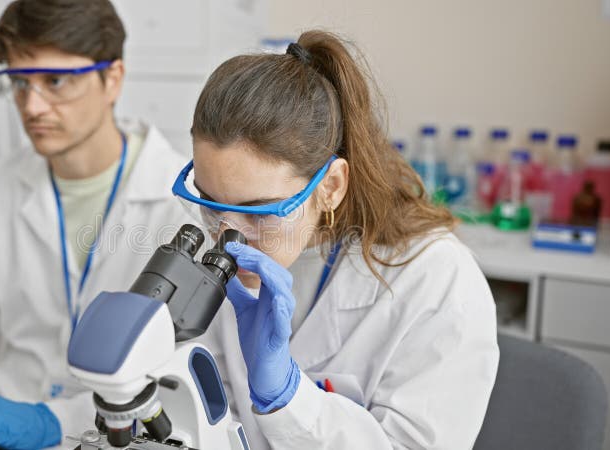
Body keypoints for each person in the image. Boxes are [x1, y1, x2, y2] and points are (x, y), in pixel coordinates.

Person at [175, 30, 499, 449]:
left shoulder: (438, 280)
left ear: (330, 186)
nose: (227, 235)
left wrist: (289, 399)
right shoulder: (220, 247)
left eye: (259, 210)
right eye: (210, 203)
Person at [0, 1, 187, 448]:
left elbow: (179, 372)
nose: (32, 106)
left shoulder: (181, 202)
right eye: (19, 83)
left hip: (120, 436)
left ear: (113, 79)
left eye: (55, 81)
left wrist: (49, 421)